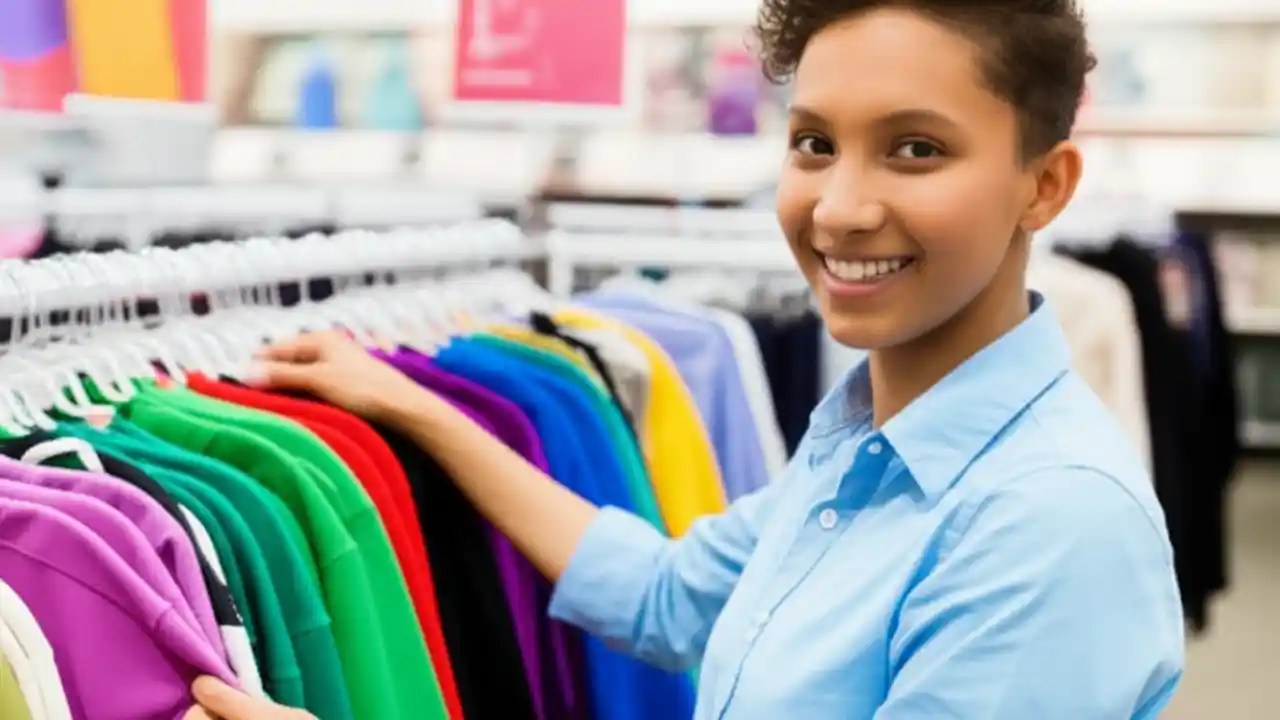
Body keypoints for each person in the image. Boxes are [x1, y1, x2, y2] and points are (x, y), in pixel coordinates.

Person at [196, 0, 1185, 717]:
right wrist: (411, 406)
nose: (837, 207)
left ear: (1043, 187)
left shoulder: (1046, 523)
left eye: (914, 149)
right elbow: (664, 594)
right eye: (811, 143)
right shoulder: (864, 444)